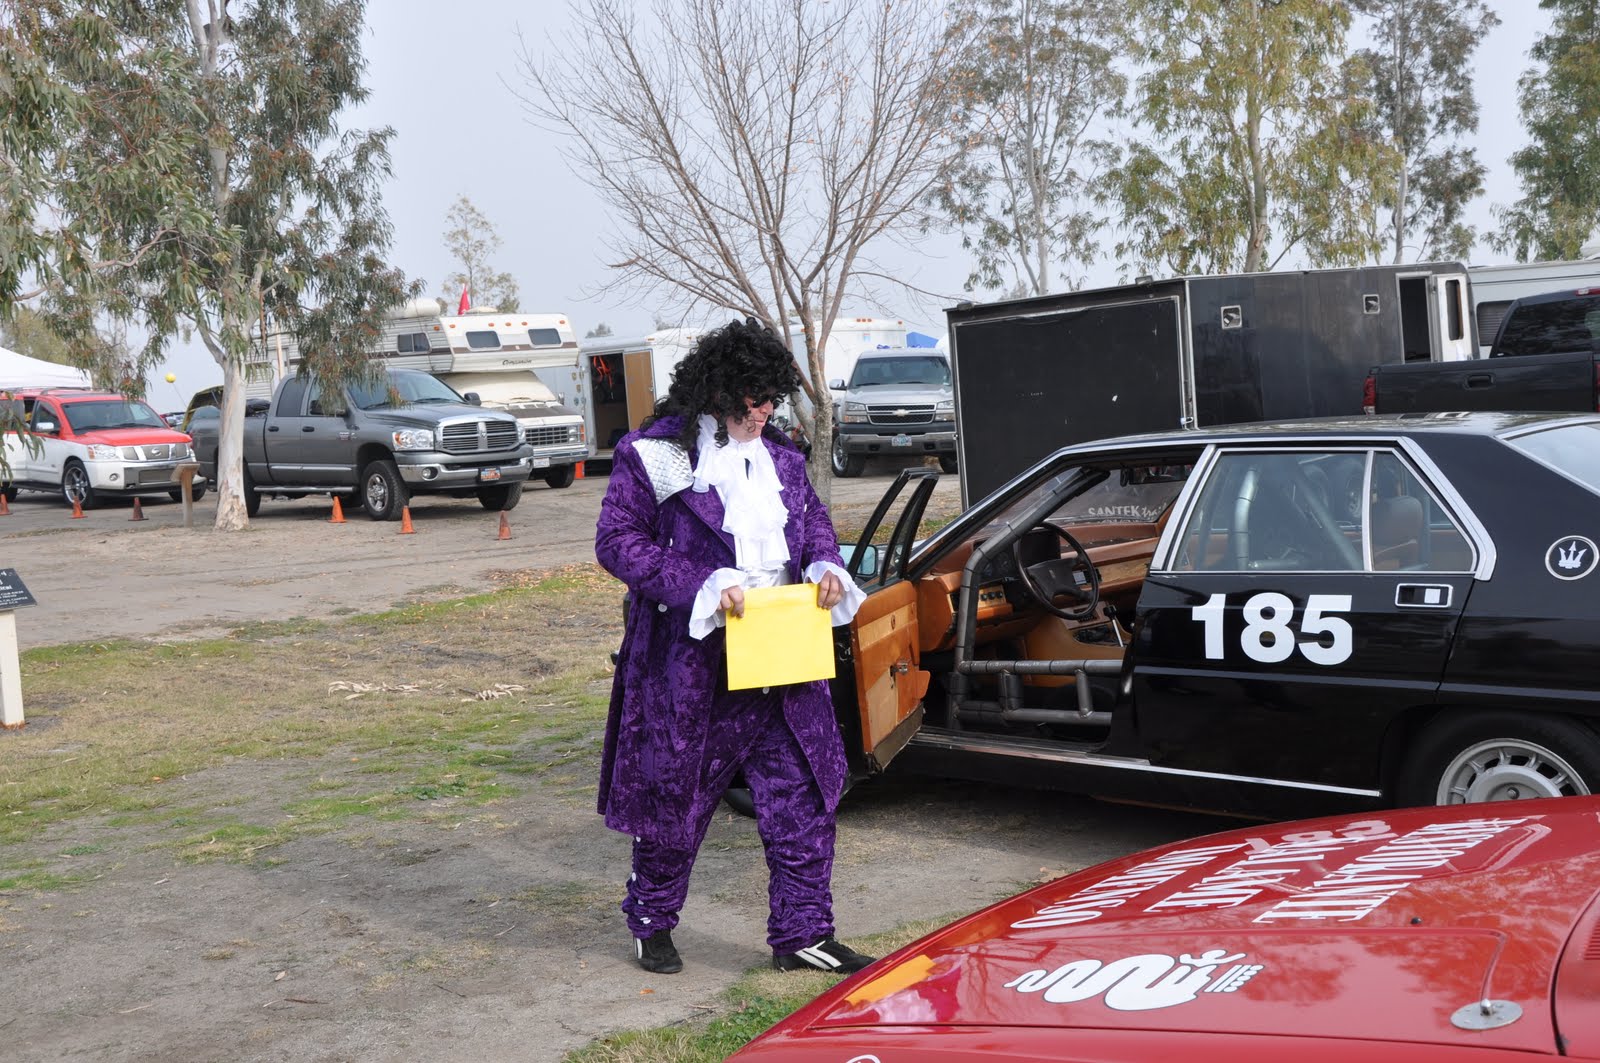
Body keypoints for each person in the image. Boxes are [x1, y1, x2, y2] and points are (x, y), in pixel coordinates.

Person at [594, 318, 875, 977]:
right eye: (755, 399)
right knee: (677, 799)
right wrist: (701, 582)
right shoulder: (654, 454)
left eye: (773, 398)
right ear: (720, 390)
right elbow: (616, 541)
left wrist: (826, 568)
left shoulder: (782, 457)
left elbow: (814, 530)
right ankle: (651, 921)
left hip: (783, 650)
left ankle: (803, 934)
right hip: (692, 664)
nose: (766, 411)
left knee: (802, 792)